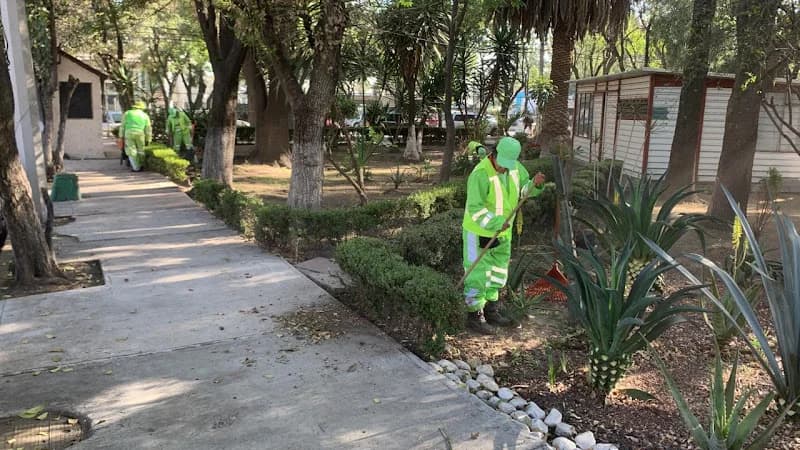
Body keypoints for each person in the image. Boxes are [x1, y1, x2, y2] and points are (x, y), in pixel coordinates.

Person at [461, 136, 546, 334]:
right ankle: (474, 315)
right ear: (495, 153)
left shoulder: (515, 168)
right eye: (501, 164)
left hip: (504, 233)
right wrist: (497, 222)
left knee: (498, 272)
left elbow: (524, 190)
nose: (504, 168)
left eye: (508, 165)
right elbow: (475, 209)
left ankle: (492, 310)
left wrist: (534, 184)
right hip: (479, 232)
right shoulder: (481, 173)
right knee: (477, 275)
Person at [119, 101, 152, 172]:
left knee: (131, 151)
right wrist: (148, 139)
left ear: (134, 106)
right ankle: (142, 165)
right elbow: (148, 129)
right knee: (141, 150)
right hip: (140, 134)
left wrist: (121, 136)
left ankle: (136, 168)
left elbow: (122, 126)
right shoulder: (145, 115)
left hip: (129, 133)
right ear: (142, 108)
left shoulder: (127, 113)